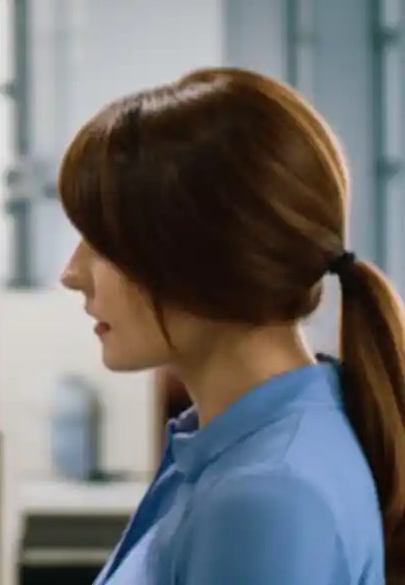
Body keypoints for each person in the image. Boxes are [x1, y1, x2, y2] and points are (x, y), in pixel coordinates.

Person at [58, 67, 405, 584]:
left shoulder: (267, 496)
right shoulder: (228, 448)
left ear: (203, 256)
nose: (71, 274)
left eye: (101, 243)